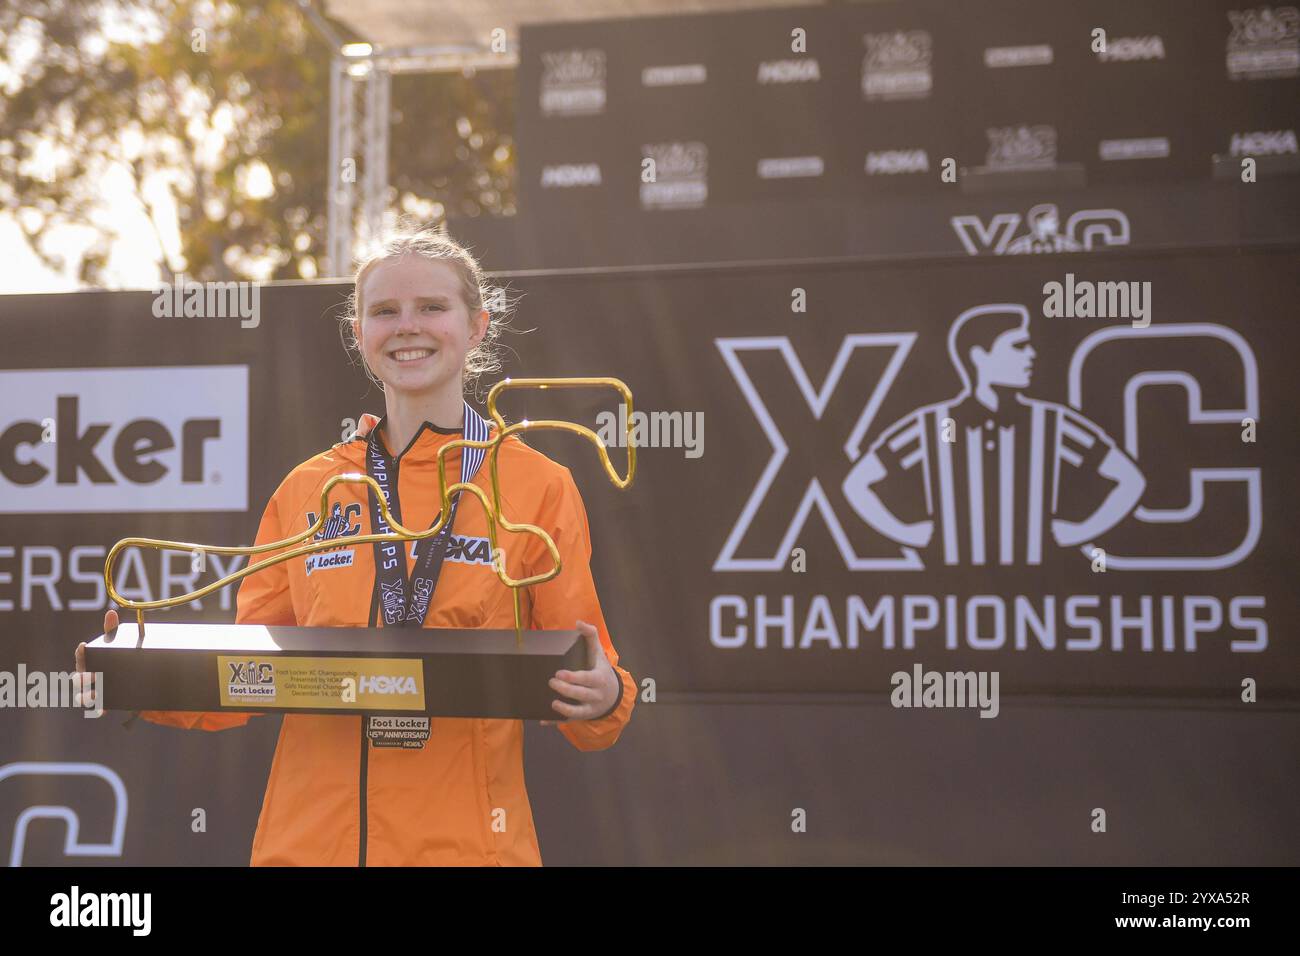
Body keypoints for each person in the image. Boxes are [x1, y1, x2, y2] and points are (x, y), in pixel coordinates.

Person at [74, 227, 637, 866]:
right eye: (384, 311)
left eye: (431, 307)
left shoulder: (536, 485)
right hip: (308, 850)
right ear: (359, 331)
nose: (407, 327)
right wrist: (140, 677)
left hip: (468, 853)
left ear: (476, 326)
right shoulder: (310, 488)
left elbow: (592, 684)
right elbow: (248, 676)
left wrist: (606, 696)